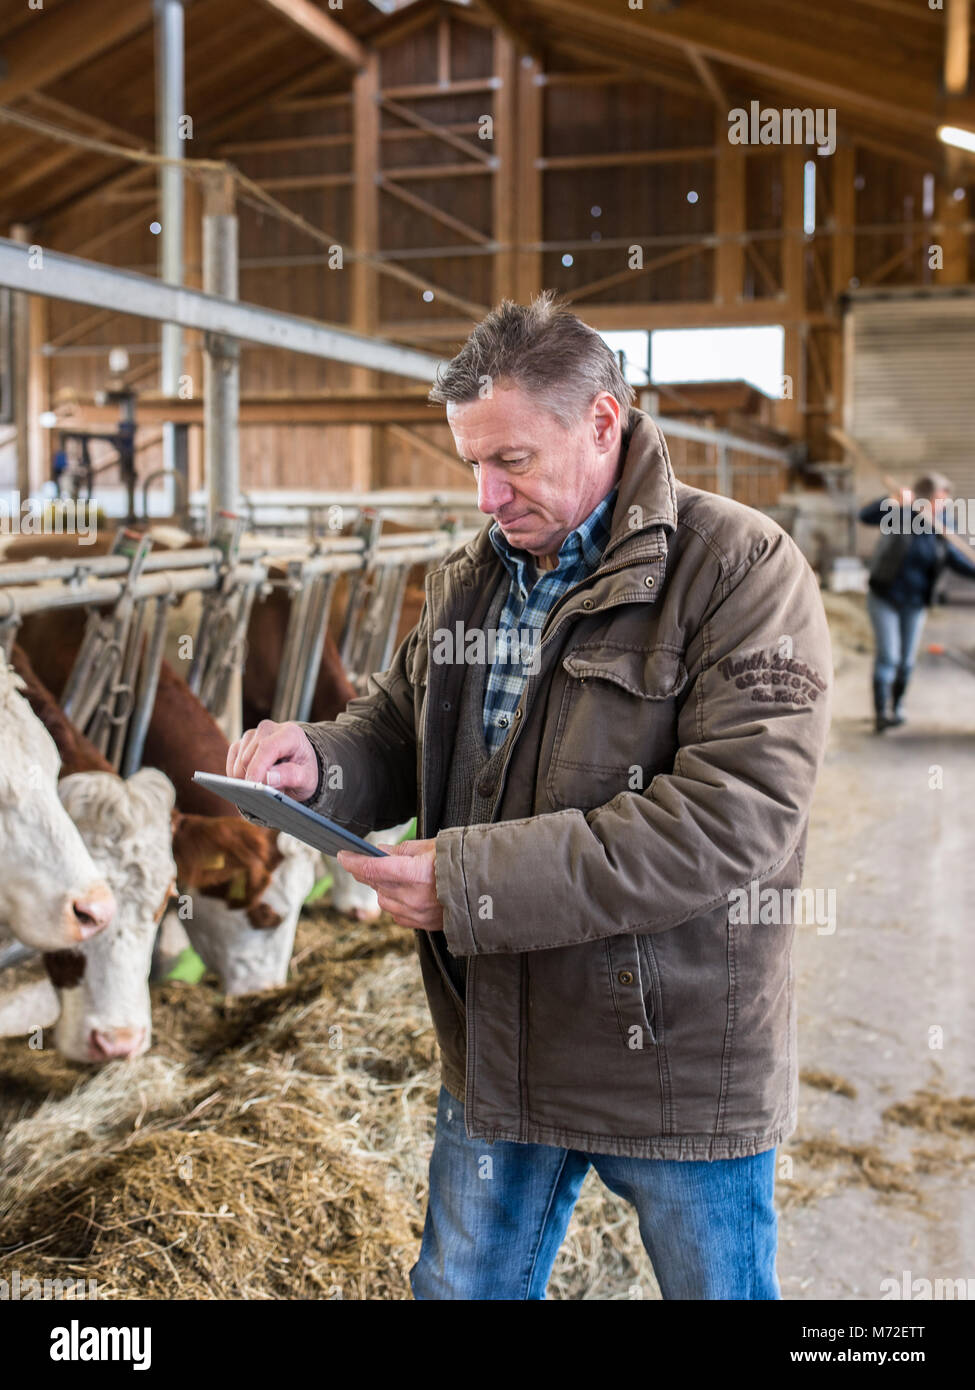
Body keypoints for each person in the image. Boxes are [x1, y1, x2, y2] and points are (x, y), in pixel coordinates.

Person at [226, 293, 832, 1301]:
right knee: (460, 1288)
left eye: (510, 460)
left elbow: (731, 820)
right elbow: (400, 728)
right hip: (499, 1044)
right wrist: (318, 763)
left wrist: (468, 879)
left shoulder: (738, 571)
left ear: (601, 422)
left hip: (672, 1057)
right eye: (470, 461)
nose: (484, 495)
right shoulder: (474, 580)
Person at [859, 474, 975, 732]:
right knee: (889, 655)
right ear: (927, 498)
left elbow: (955, 558)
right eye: (939, 500)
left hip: (916, 602)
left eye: (945, 501)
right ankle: (881, 714)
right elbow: (864, 517)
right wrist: (891, 500)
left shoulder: (942, 524)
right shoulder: (900, 514)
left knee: (906, 661)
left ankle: (897, 706)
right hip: (885, 596)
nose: (944, 505)